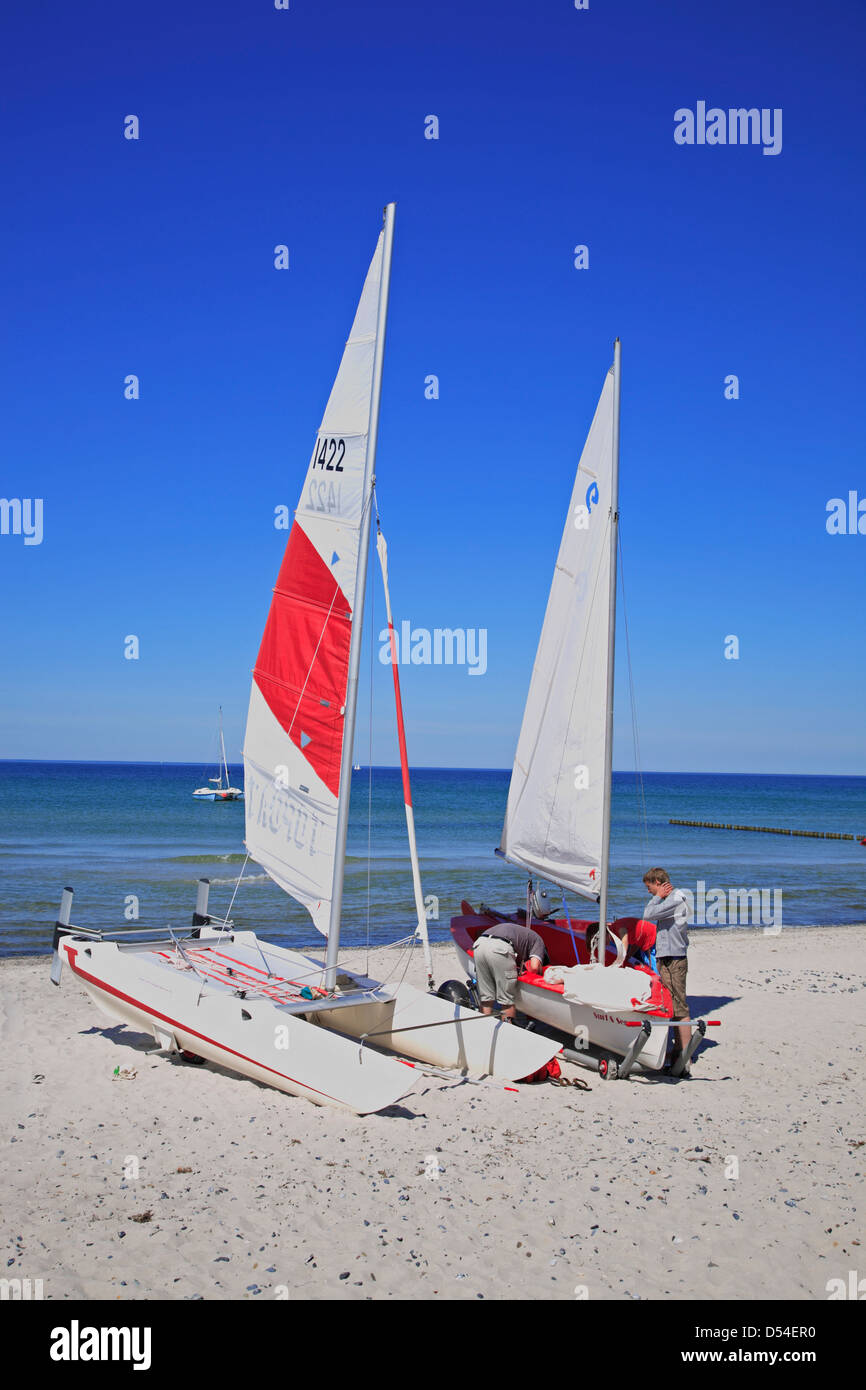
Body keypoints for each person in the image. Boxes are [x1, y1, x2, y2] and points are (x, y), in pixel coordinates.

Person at [641, 868, 692, 1068]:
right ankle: (678, 1051)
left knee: (679, 1007)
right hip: (668, 958)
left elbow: (648, 914)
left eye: (649, 887)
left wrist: (658, 898)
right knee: (671, 1005)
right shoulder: (672, 900)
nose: (648, 892)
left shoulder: (675, 899)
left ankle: (684, 1057)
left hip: (674, 959)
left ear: (658, 882)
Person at [474, 920, 547, 1022]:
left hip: (479, 945)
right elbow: (535, 967)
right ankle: (507, 1032)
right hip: (500, 948)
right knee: (507, 1001)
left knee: (486, 999)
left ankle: (484, 1026)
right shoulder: (539, 942)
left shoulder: (523, 934)